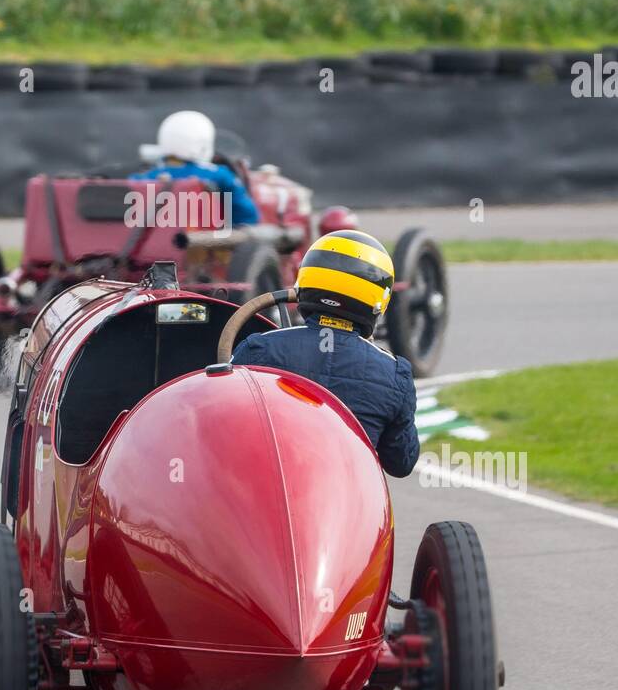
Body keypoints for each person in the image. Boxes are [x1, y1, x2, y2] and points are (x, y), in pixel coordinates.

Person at [230, 230, 419, 477]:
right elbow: (401, 463)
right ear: (378, 299)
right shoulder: (394, 373)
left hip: (269, 499)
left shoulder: (259, 349)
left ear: (306, 281)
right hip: (351, 507)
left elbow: (229, 431)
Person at [130, 111, 260, 226]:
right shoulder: (219, 176)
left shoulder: (141, 179)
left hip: (145, 248)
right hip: (203, 246)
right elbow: (247, 217)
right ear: (202, 144)